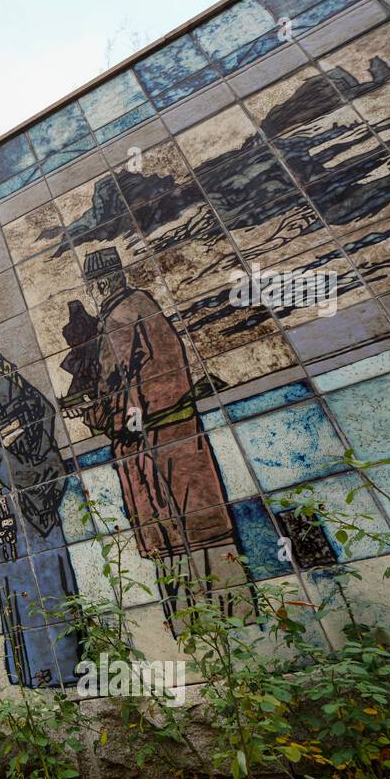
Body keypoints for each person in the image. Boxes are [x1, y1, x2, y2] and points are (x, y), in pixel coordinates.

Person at [61, 247, 245, 629]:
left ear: (103, 283)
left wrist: (92, 414)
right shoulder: (144, 306)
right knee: (206, 531)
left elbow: (127, 396)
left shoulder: (119, 318)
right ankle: (235, 623)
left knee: (174, 543)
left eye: (95, 284)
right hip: (179, 434)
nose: (95, 291)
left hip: (154, 445)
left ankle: (198, 632)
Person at [0, 288, 81, 686]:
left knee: (55, 573)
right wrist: (16, 468)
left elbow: (41, 406)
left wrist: (30, 434)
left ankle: (71, 662)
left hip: (37, 474)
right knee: (29, 579)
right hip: (18, 489)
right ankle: (43, 671)